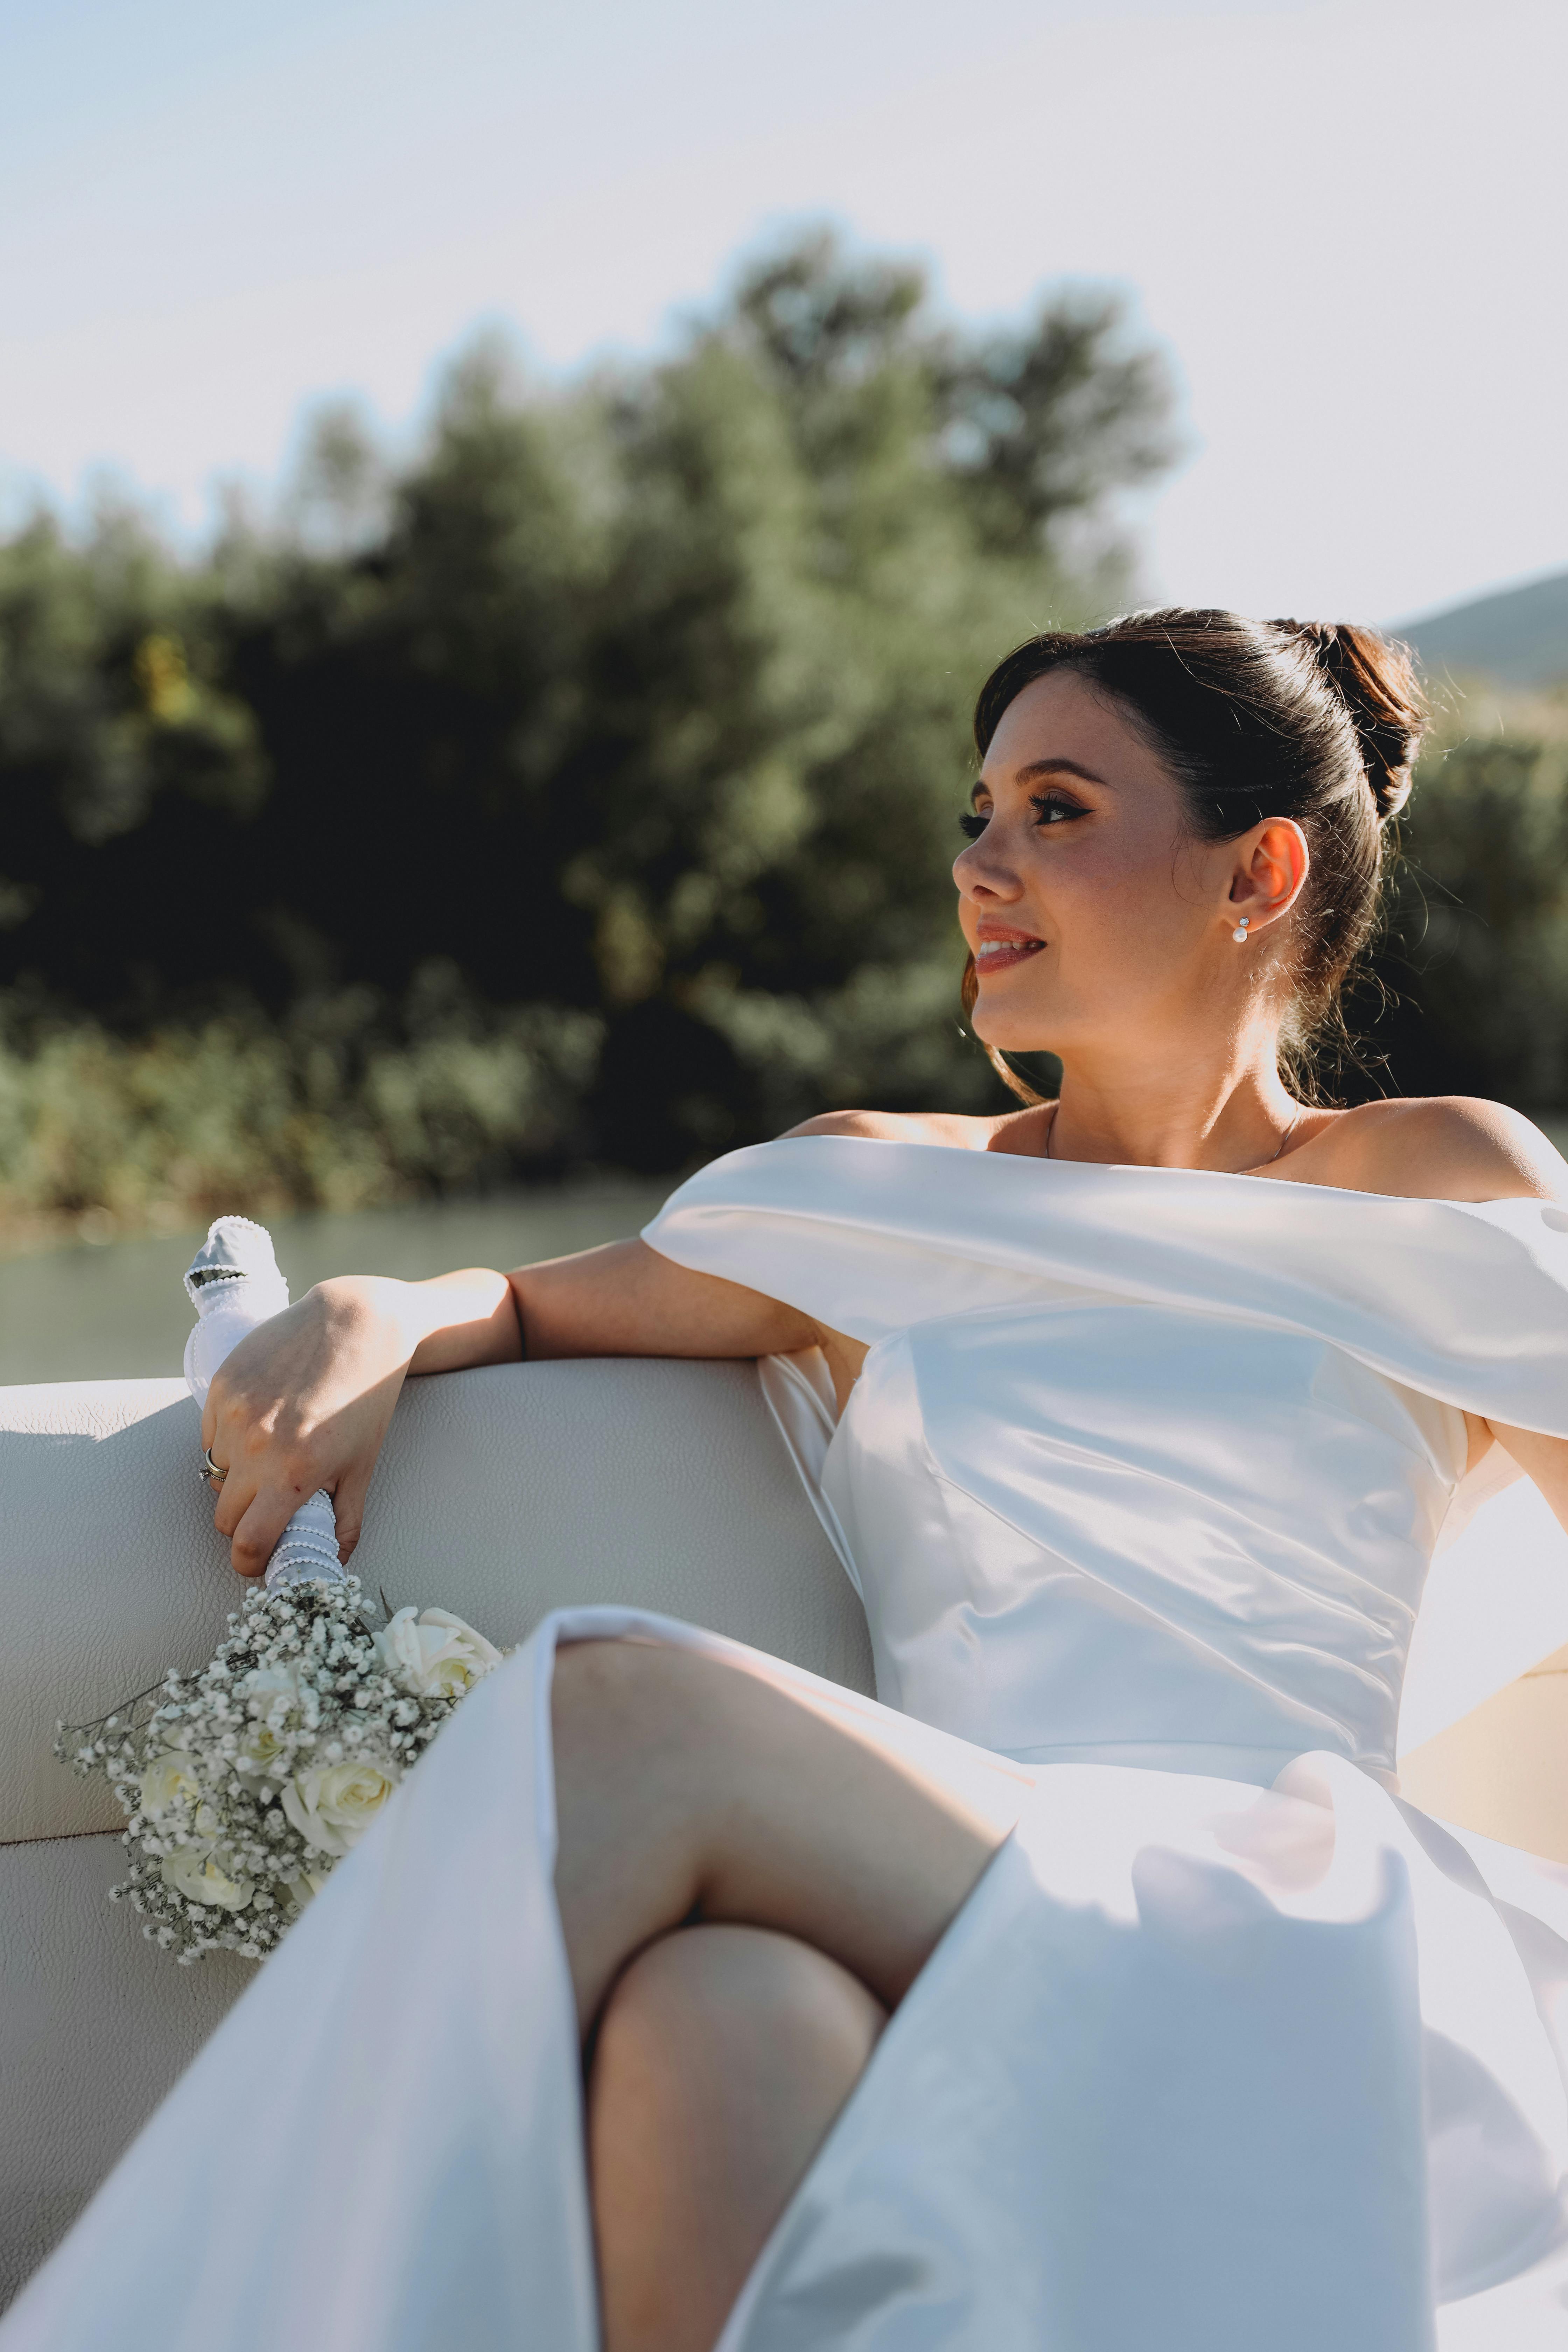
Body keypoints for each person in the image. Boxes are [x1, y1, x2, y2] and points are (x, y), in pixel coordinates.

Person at [9, 609, 1568, 2352]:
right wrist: (377, 1306)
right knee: (714, 2017)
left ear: (1255, 868)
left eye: (1055, 809)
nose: (980, 862)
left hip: (1275, 1908)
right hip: (936, 1889)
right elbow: (531, 1298)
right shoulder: (868, 1191)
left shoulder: (1437, 1175)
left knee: (616, 1711)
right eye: (977, 812)